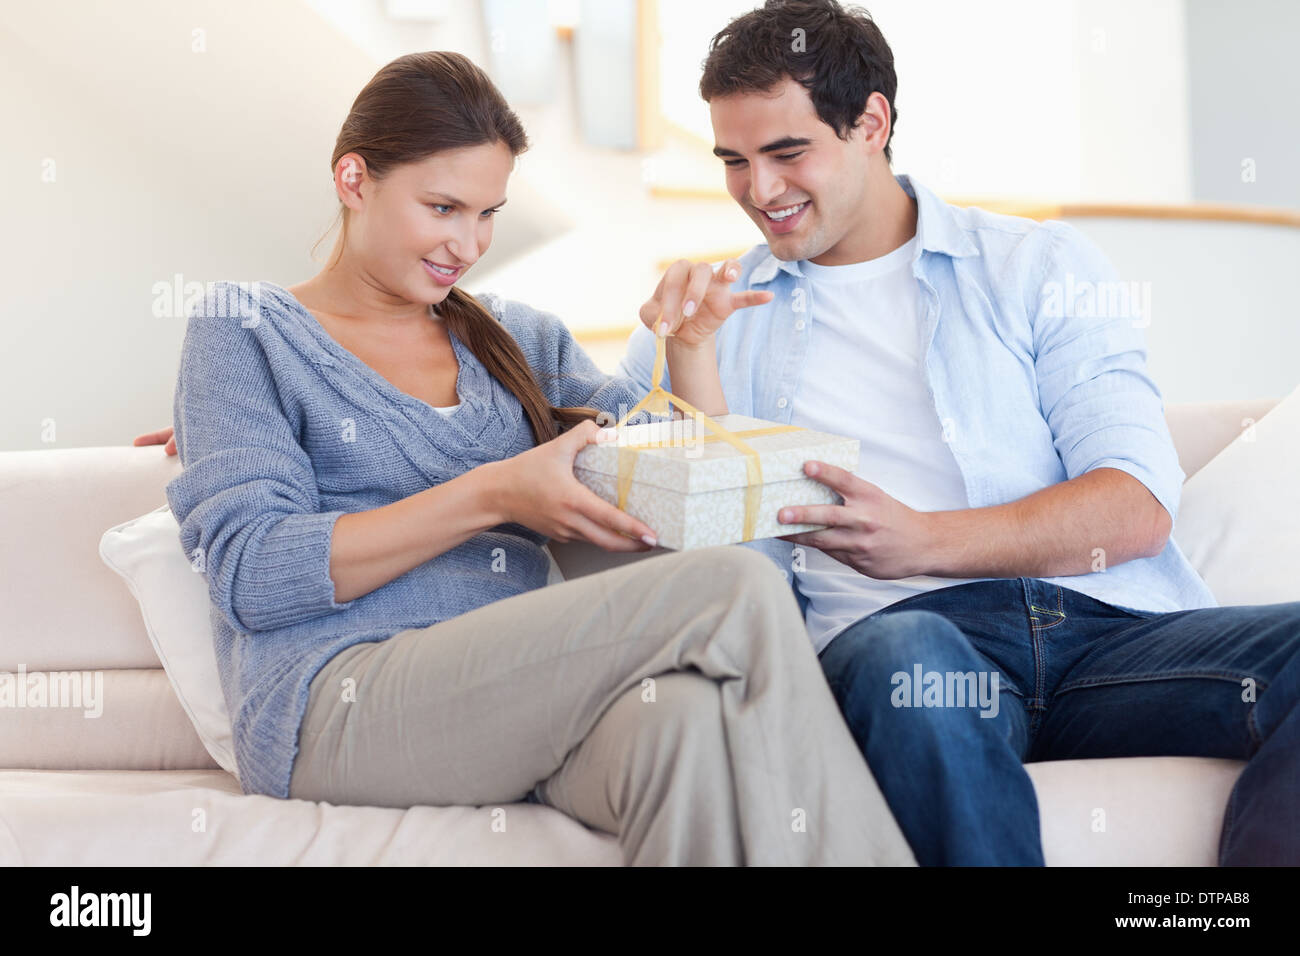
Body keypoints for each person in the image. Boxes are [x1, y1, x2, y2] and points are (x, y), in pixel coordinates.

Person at [148, 49, 915, 867]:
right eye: (442, 207)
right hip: (331, 700)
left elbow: (676, 483)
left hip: (519, 688)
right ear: (353, 179)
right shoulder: (244, 330)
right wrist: (494, 494)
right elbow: (252, 576)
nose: (467, 243)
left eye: (487, 213)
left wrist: (690, 352)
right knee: (736, 589)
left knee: (685, 723)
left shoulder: (513, 336)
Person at [619, 0, 1300, 865]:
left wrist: (925, 539)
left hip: (1109, 636)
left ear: (872, 121)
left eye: (789, 153)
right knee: (912, 661)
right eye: (734, 161)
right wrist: (687, 371)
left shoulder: (1037, 268)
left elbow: (1133, 508)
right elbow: (643, 509)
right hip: (912, 643)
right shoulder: (703, 325)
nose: (760, 191)